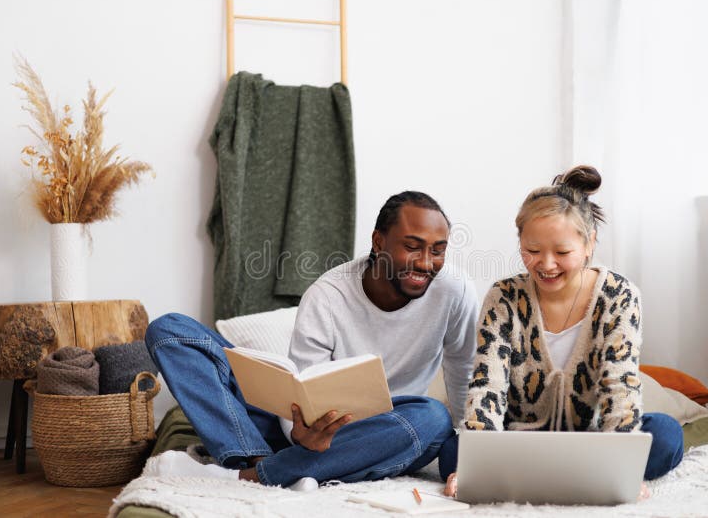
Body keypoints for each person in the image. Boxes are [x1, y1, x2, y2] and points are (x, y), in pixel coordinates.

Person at [144, 191, 478, 489]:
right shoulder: (328, 294)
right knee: (170, 330)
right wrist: (300, 434)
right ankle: (260, 460)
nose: (426, 262)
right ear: (379, 242)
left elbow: (464, 372)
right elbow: (303, 393)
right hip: (306, 431)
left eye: (438, 250)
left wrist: (470, 444)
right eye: (412, 246)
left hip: (387, 432)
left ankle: (249, 477)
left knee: (434, 419)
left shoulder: (455, 292)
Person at [440, 166, 684, 498]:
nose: (546, 263)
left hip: (591, 438)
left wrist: (622, 468)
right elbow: (488, 385)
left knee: (667, 436)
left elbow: (620, 384)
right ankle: (571, 476)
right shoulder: (504, 297)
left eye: (562, 252)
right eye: (533, 250)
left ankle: (551, 475)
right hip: (516, 438)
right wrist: (472, 466)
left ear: (589, 243)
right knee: (452, 453)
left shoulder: (619, 296)